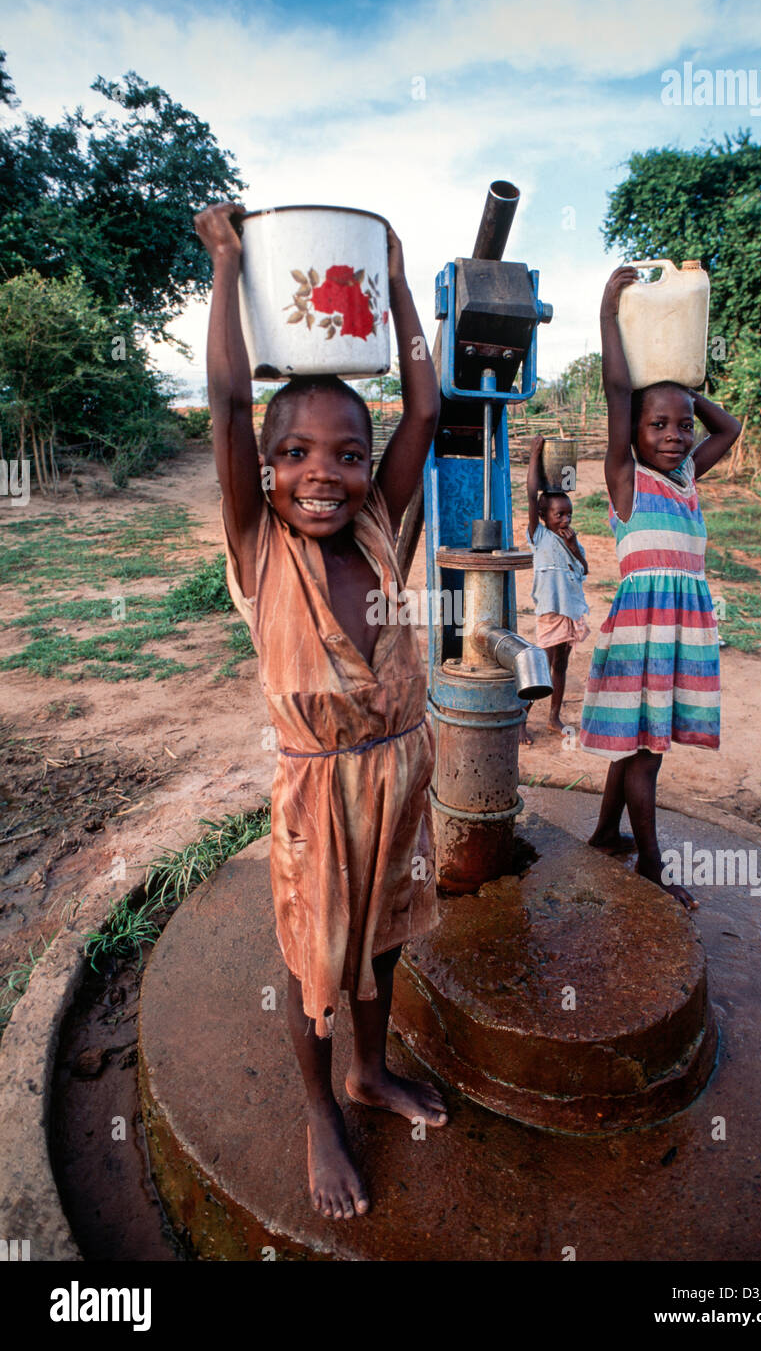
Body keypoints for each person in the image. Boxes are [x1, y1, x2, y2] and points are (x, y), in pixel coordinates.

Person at [194, 201, 446, 1222]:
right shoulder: (260, 549)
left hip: (401, 772)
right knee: (313, 964)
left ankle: (368, 1073)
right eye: (295, 452)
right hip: (317, 791)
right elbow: (221, 404)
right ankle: (316, 1106)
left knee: (382, 941)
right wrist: (224, 267)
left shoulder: (383, 529)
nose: (324, 474)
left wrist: (394, 282)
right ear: (266, 469)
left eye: (347, 453)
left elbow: (422, 411)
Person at [580, 266, 741, 909]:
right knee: (647, 754)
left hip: (678, 634)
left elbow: (726, 429)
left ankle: (602, 833)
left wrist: (680, 384)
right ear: (634, 433)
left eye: (681, 427)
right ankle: (650, 862)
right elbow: (619, 389)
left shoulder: (686, 481)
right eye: (658, 426)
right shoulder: (628, 479)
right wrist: (609, 315)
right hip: (643, 634)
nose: (675, 437)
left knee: (635, 745)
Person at [520, 437, 590, 743]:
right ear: (543, 517)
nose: (565, 520)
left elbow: (585, 569)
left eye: (568, 514)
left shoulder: (570, 540)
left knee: (559, 666)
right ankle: (521, 719)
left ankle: (554, 718)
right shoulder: (540, 537)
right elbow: (531, 493)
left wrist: (575, 547)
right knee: (540, 669)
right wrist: (535, 455)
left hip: (570, 611)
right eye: (558, 515)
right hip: (550, 611)